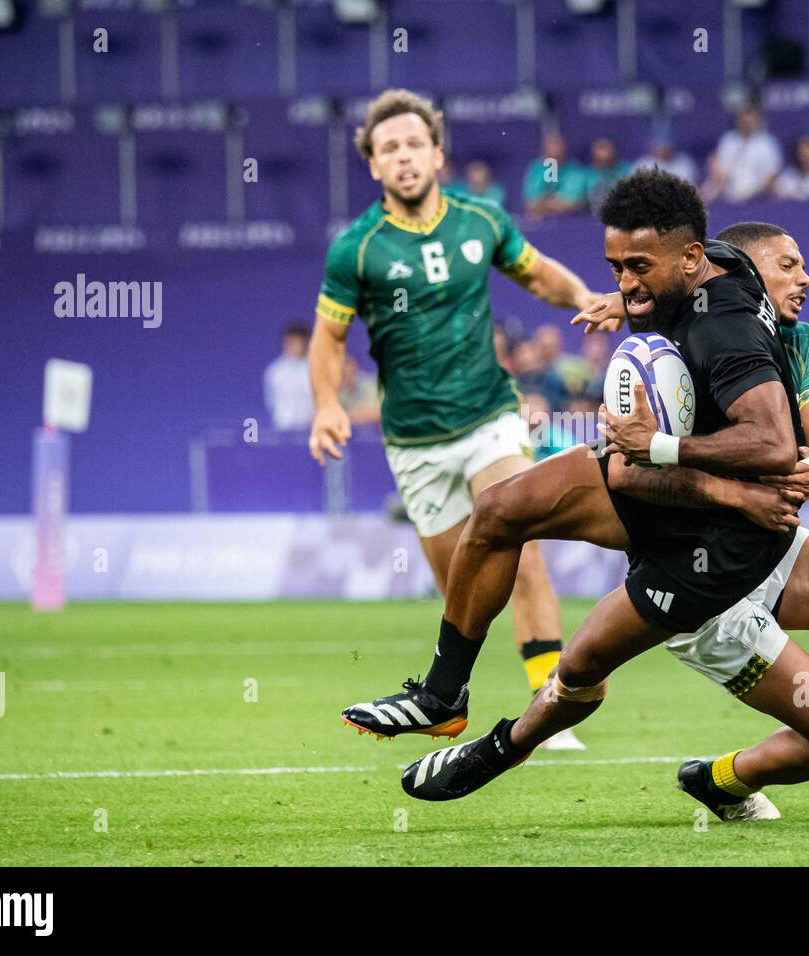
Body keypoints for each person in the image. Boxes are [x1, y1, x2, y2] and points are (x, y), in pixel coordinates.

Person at [346, 171, 809, 821]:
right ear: (723, 264)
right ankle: (480, 728)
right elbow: (628, 472)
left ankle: (757, 782)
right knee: (557, 628)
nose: (806, 276)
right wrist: (720, 478)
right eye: (789, 264)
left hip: (761, 547)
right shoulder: (699, 289)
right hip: (696, 575)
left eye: (636, 267)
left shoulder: (784, 337)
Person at [310, 89, 610, 749]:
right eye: (389, 148)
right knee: (465, 593)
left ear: (437, 154)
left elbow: (536, 273)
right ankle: (449, 701)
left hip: (488, 415)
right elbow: (328, 339)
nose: (404, 156)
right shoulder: (356, 250)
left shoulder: (480, 220)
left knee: (521, 549)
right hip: (414, 439)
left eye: (414, 144)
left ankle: (550, 705)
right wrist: (328, 404)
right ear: (373, 165)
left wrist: (582, 295)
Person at [702, 106, 783, 203]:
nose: (747, 122)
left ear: (757, 120)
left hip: (758, 196)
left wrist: (751, 194)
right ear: (738, 119)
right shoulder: (728, 140)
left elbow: (772, 175)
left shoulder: (767, 143)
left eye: (750, 118)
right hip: (729, 196)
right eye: (743, 118)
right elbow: (719, 170)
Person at [264, 323, 316, 431]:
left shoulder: (318, 369)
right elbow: (271, 401)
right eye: (287, 342)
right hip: (282, 429)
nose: (290, 346)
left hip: (312, 429)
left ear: (306, 343)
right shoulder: (276, 371)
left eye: (294, 343)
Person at [523, 131, 586, 218]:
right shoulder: (536, 168)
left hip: (569, 220)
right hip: (541, 220)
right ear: (544, 148)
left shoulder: (575, 169)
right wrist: (553, 204)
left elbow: (574, 202)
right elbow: (530, 202)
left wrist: (543, 204)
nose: (555, 149)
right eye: (551, 145)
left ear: (564, 147)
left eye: (557, 145)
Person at [632, 129, 698, 184]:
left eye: (663, 145)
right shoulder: (643, 163)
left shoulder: (685, 163)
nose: (660, 149)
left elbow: (690, 187)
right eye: (657, 145)